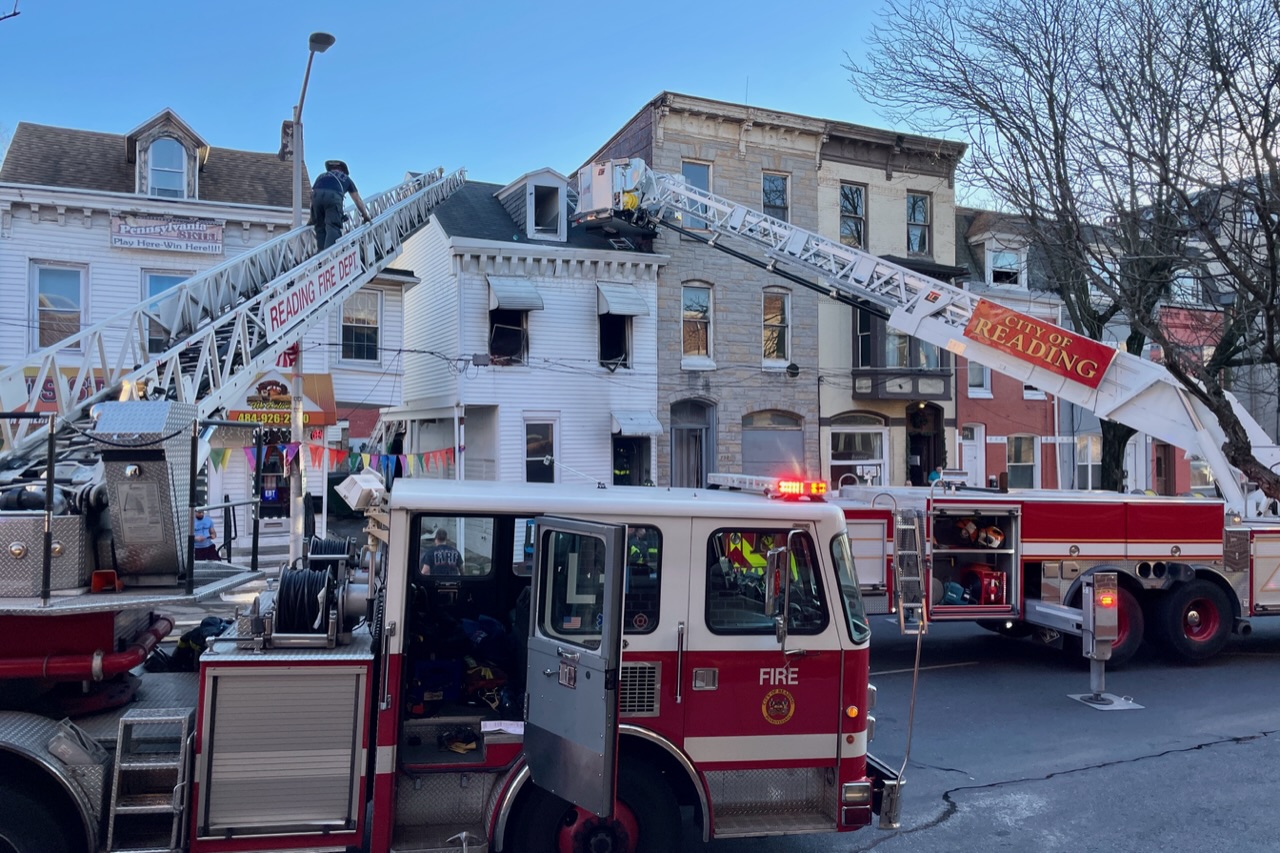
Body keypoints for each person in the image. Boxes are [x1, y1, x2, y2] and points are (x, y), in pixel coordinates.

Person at [310, 159, 373, 251]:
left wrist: (313, 216)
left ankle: (320, 257)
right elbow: (357, 199)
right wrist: (365, 215)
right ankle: (329, 256)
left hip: (316, 197)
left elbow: (312, 195)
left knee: (320, 227)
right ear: (343, 170)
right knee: (333, 227)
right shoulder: (346, 178)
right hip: (333, 197)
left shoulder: (321, 176)